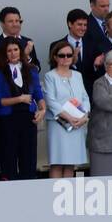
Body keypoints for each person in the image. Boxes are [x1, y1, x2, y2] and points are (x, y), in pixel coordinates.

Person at [0, 40, 44, 180]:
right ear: (4, 53)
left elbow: (38, 93)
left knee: (29, 157)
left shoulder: (31, 69)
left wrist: (42, 109)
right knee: (9, 157)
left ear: (20, 51)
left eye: (15, 49)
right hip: (7, 120)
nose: (13, 53)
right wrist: (19, 99)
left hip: (28, 118)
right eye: (9, 50)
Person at [42, 40, 89, 178]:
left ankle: (67, 195)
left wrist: (84, 116)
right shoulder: (50, 76)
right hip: (58, 124)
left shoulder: (78, 75)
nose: (66, 58)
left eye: (69, 55)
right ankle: (54, 195)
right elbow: (50, 100)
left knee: (70, 163)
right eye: (62, 55)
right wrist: (69, 117)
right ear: (55, 57)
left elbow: (85, 97)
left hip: (77, 124)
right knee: (57, 162)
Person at [0, 6, 39, 77]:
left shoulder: (27, 42)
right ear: (2, 24)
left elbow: (37, 68)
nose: (15, 24)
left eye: (17, 21)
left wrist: (28, 57)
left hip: (27, 86)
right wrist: (24, 55)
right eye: (10, 21)